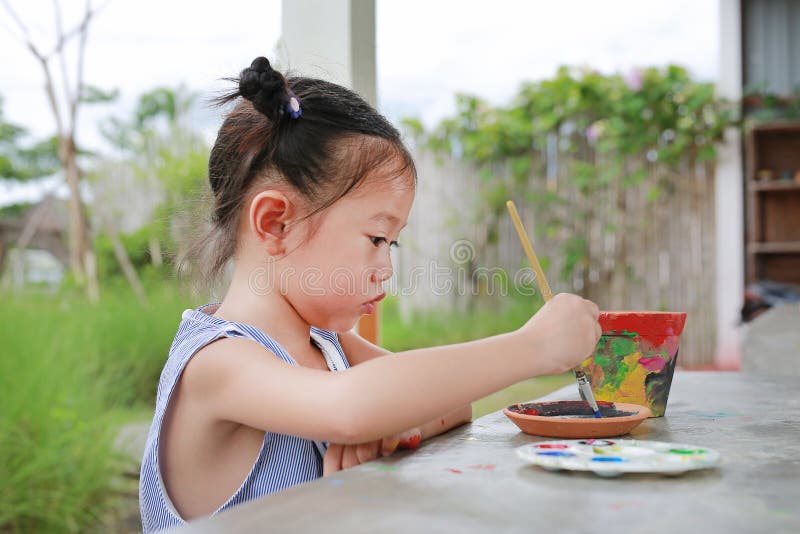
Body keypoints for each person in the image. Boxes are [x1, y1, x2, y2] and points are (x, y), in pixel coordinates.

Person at [139, 56, 601, 532]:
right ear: (276, 224)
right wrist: (535, 347)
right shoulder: (215, 364)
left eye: (392, 244)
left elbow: (448, 404)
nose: (386, 270)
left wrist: (397, 420)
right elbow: (349, 407)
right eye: (377, 238)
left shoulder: (328, 345)